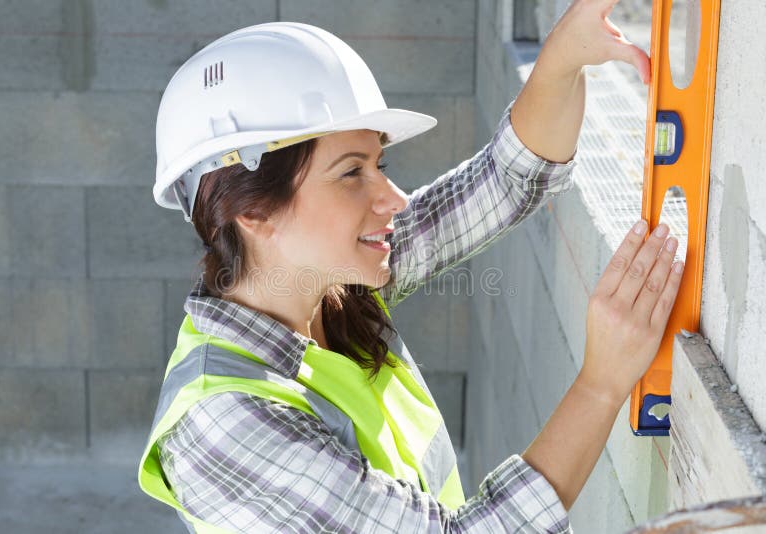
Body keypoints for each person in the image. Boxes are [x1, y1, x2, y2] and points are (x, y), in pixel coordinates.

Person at [138, 2, 682, 532]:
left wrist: (564, 60)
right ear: (253, 210)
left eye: (380, 165)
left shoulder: (328, 289)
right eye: (352, 174)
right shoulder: (225, 425)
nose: (394, 198)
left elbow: (502, 183)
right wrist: (601, 384)